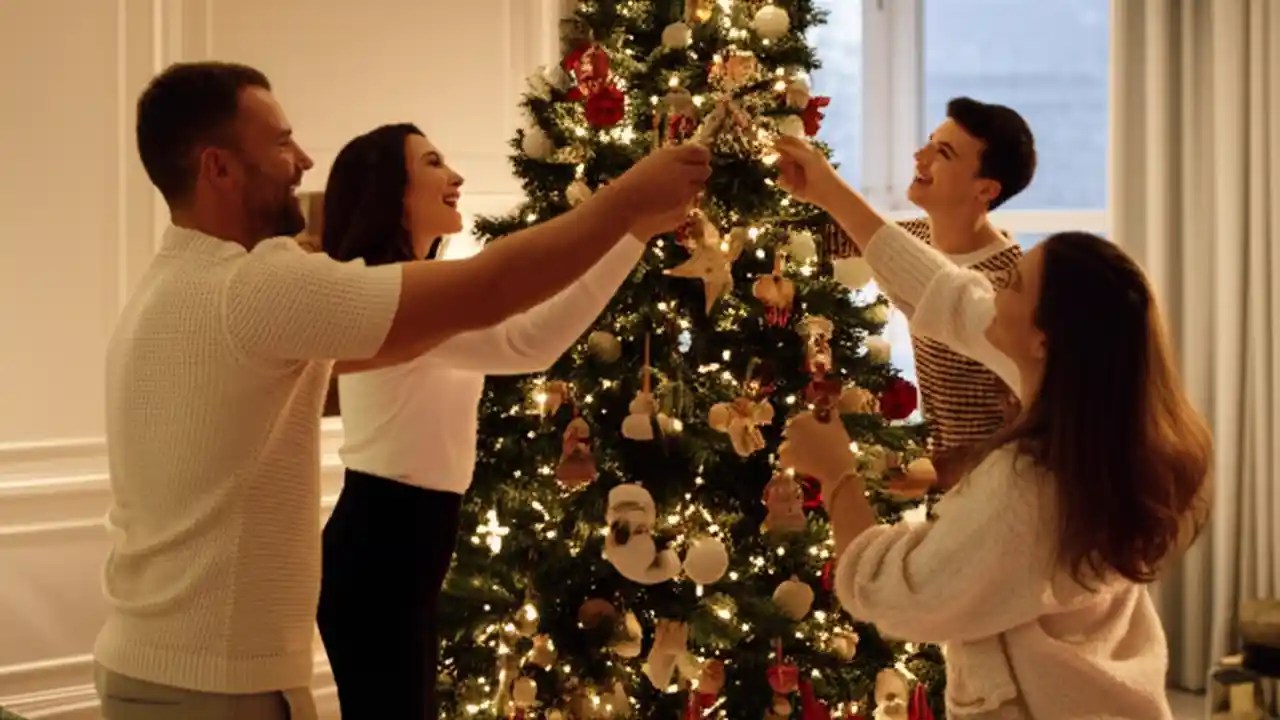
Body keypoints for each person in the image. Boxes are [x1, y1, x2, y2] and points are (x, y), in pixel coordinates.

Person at [94, 61, 708, 720]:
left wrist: (631, 225)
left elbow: (494, 318)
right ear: (218, 168)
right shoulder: (253, 289)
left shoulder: (169, 288)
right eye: (280, 143)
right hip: (211, 686)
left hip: (149, 665)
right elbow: (495, 293)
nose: (303, 161)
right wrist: (628, 204)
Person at [773, 134, 1212, 719]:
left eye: (1012, 284)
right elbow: (946, 292)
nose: (992, 287)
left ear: (1042, 339)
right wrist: (827, 190)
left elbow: (898, 593)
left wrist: (837, 474)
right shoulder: (1103, 422)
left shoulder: (1029, 486)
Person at [311, 123, 675, 717]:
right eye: (432, 163)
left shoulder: (417, 291)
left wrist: (628, 234)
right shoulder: (391, 297)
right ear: (390, 190)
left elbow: (533, 315)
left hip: (401, 545)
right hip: (381, 550)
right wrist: (628, 229)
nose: (454, 176)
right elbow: (531, 343)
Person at [828, 97, 1035, 492]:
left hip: (989, 497)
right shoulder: (917, 238)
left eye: (943, 152)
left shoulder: (1007, 287)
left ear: (985, 189)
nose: (919, 156)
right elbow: (834, 232)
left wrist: (932, 473)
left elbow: (1027, 428)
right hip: (941, 489)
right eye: (929, 142)